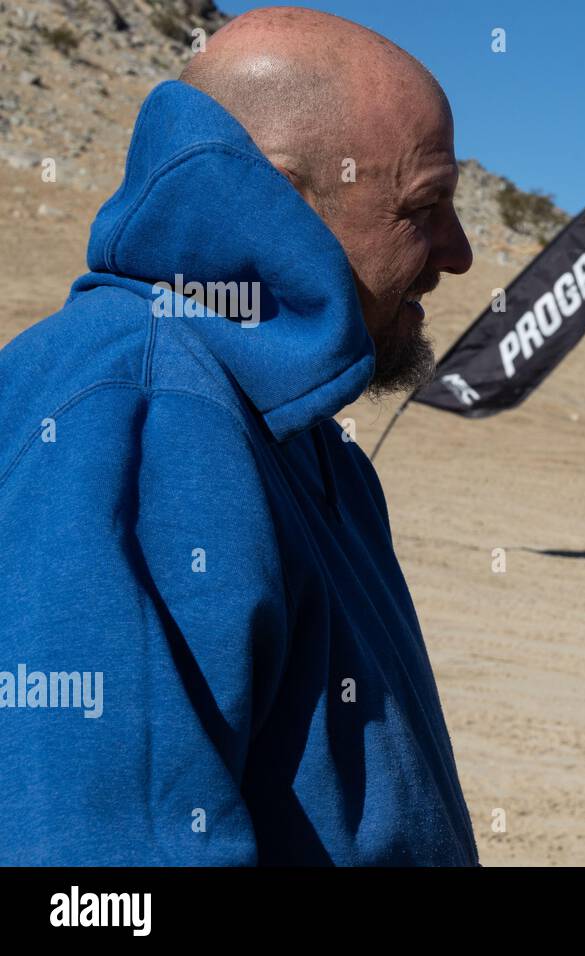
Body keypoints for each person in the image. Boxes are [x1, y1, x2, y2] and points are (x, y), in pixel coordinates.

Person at [0, 8, 478, 864]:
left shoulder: (305, 442)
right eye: (424, 205)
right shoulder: (137, 412)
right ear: (285, 200)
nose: (459, 250)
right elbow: (99, 860)